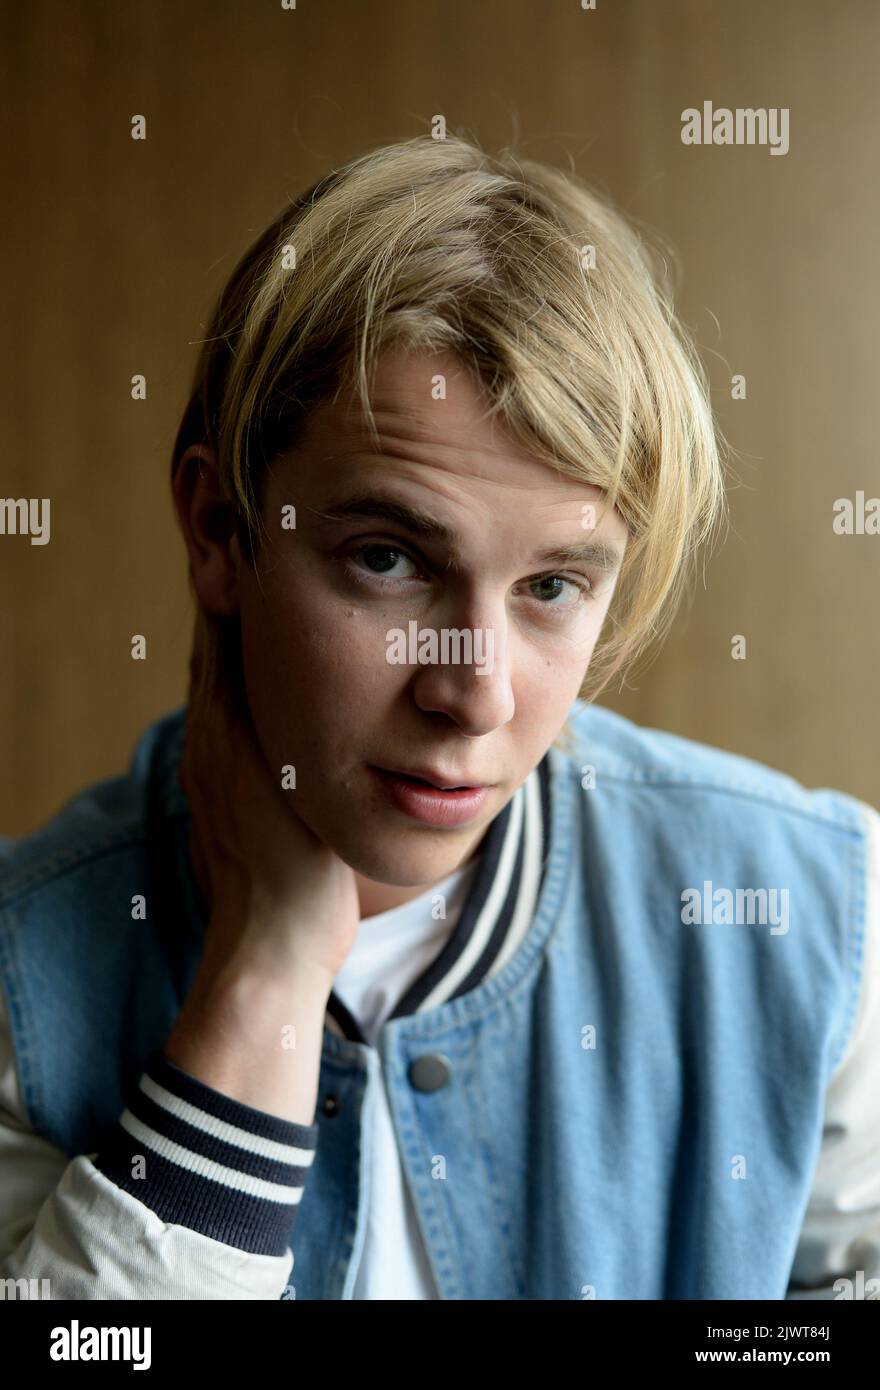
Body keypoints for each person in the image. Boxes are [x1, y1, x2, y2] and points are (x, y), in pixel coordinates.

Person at [0, 134, 877, 1301]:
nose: (475, 691)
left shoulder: (820, 928)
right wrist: (260, 981)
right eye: (386, 559)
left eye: (553, 586)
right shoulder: (22, 985)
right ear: (219, 529)